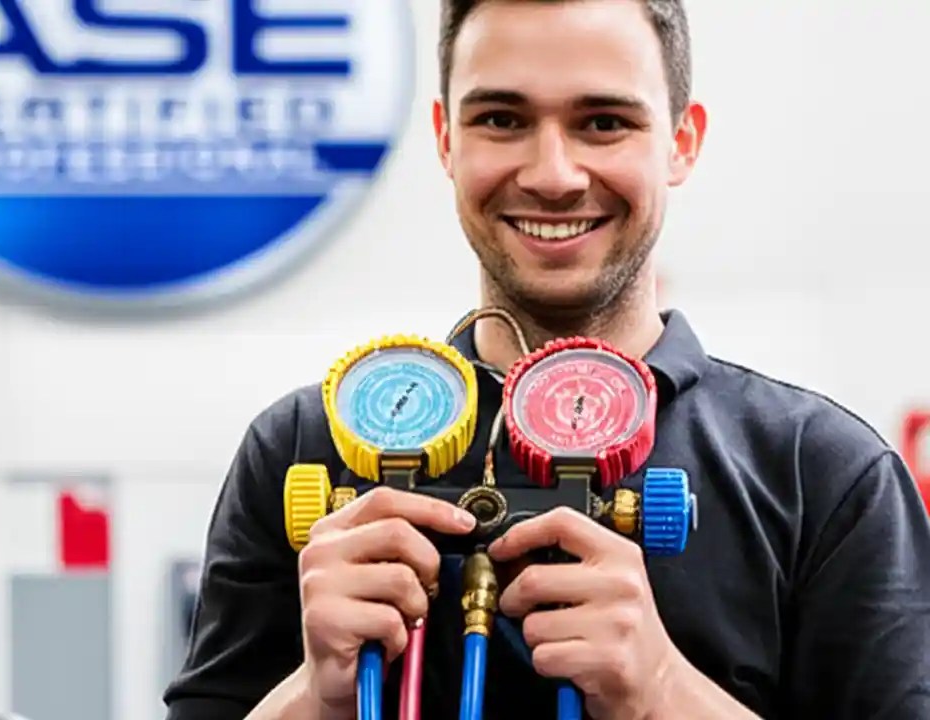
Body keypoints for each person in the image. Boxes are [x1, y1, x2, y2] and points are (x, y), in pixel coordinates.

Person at [162, 0, 930, 717]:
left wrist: (661, 689)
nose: (553, 175)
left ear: (681, 142)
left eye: (603, 122)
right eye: (502, 119)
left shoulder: (822, 473)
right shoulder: (303, 447)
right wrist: (317, 693)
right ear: (446, 139)